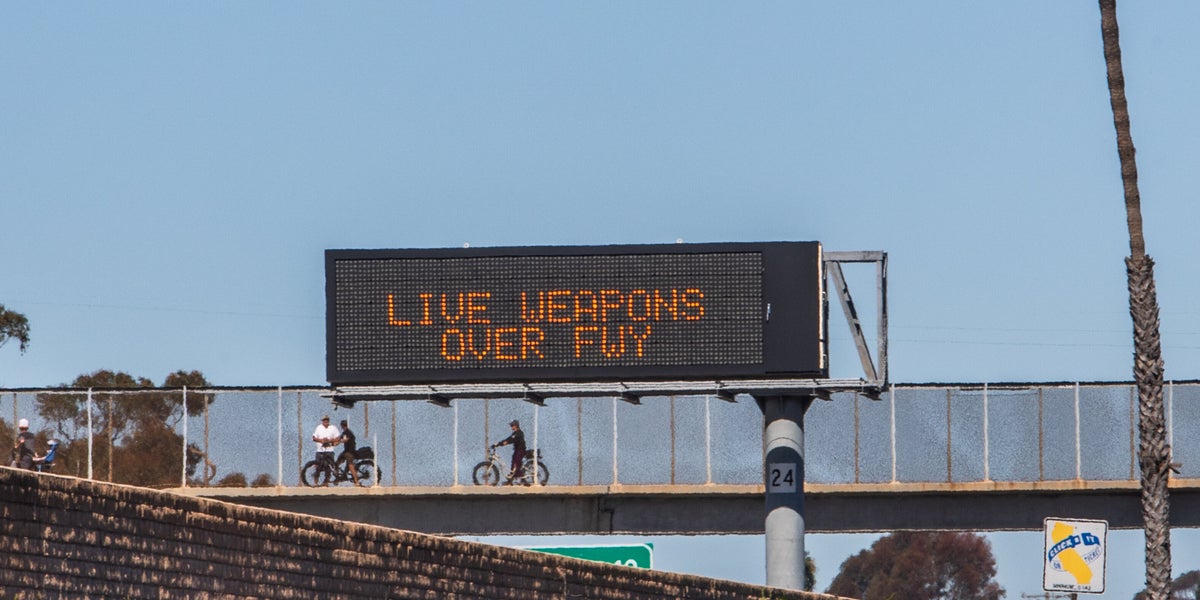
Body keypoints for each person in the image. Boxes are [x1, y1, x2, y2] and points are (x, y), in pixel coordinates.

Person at [492, 419, 526, 485]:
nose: (511, 427)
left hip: (521, 450)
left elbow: (509, 440)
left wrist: (500, 444)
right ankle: (510, 480)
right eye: (511, 425)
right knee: (513, 464)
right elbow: (508, 439)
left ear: (516, 425)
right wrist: (499, 443)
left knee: (517, 463)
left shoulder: (519, 433)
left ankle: (521, 479)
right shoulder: (514, 433)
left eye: (512, 425)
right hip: (517, 450)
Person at [336, 419, 361, 486]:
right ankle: (338, 478)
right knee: (337, 463)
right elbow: (338, 440)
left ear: (342, 426)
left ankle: (356, 481)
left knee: (350, 465)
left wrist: (339, 441)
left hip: (350, 452)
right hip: (346, 451)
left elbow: (345, 440)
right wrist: (331, 443)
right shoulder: (344, 433)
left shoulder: (348, 432)